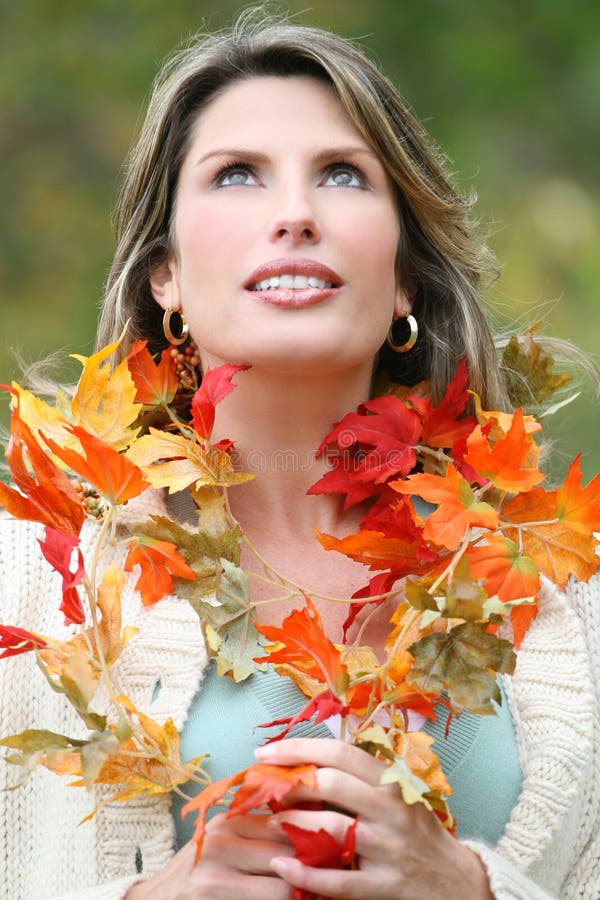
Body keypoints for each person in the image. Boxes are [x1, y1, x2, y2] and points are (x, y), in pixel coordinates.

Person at [1, 11, 598, 900]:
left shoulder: (563, 597)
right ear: (163, 272)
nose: (295, 214)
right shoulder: (28, 575)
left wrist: (475, 892)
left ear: (404, 275)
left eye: (343, 175)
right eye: (237, 174)